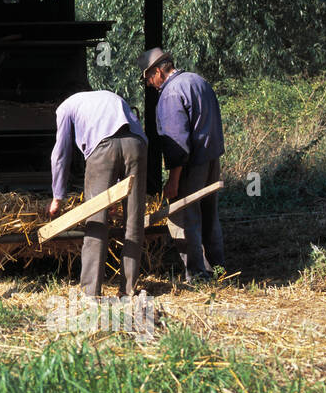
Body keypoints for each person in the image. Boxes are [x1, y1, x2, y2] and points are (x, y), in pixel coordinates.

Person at [48, 89, 148, 297]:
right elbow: (124, 137)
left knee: (96, 219)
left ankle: (91, 292)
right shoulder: (107, 96)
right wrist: (116, 192)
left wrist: (58, 196)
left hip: (103, 148)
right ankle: (128, 291)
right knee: (133, 221)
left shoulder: (65, 107)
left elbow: (61, 153)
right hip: (137, 144)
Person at [138, 48, 224, 283]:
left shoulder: (170, 94)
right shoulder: (198, 80)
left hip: (190, 165)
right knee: (209, 215)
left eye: (147, 78)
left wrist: (174, 180)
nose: (148, 84)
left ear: (158, 71)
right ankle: (217, 269)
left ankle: (197, 276)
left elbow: (177, 143)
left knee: (184, 218)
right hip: (211, 159)